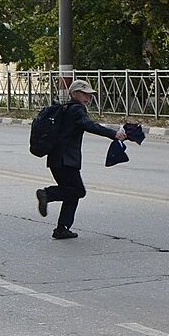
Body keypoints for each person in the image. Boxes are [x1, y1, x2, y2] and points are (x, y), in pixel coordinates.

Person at [36, 79, 127, 239]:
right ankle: (48, 194)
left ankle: (62, 229)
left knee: (72, 192)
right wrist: (114, 134)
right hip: (67, 160)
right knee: (77, 190)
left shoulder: (64, 109)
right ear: (74, 94)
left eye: (90, 95)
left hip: (56, 159)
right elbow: (90, 125)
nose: (88, 98)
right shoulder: (77, 110)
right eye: (85, 94)